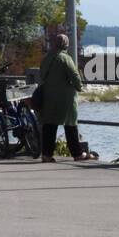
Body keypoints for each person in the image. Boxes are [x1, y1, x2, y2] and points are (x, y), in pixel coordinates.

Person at [37, 33, 94, 162]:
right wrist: (79, 86)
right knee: (70, 125)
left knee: (49, 126)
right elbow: (74, 76)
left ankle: (46, 155)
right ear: (66, 45)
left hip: (49, 96)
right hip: (66, 98)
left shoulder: (47, 58)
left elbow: (41, 75)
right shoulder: (65, 58)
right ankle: (77, 154)